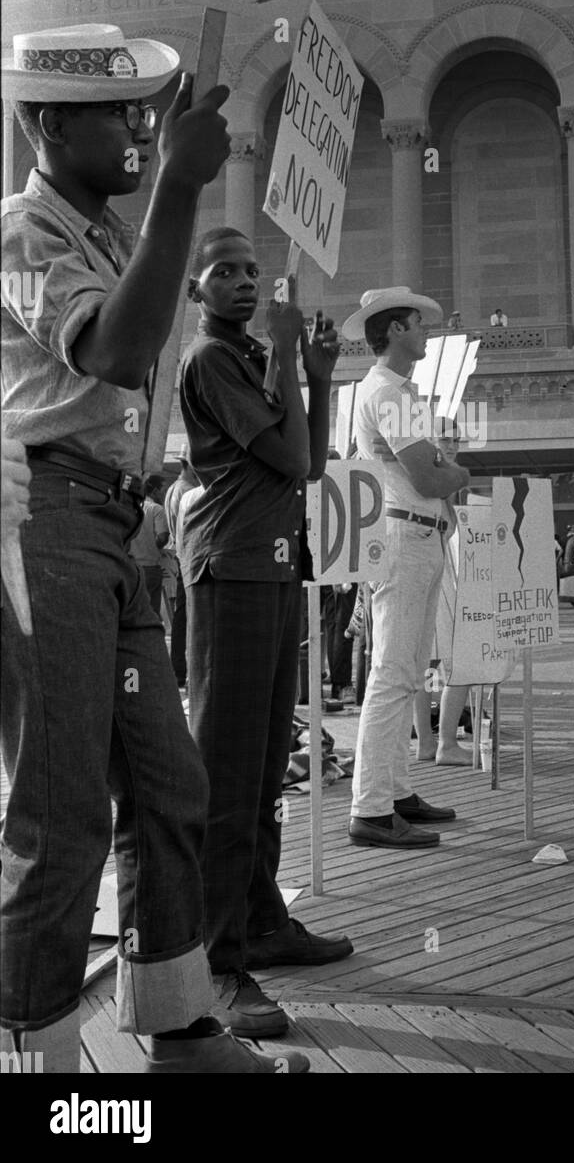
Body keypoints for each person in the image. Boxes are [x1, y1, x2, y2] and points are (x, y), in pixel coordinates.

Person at [1, 22, 307, 1073]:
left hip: (113, 530)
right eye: (116, 116)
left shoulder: (108, 239)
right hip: (43, 526)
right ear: (44, 123)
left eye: (144, 113)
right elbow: (120, 349)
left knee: (170, 786)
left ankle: (175, 1025)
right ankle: (34, 1057)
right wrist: (178, 184)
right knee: (60, 812)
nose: (137, 129)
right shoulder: (20, 231)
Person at [179, 228, 353, 1039]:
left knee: (263, 764)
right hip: (233, 566)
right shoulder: (212, 359)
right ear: (197, 291)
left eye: (251, 270)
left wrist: (317, 377)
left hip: (275, 565)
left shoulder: (253, 357)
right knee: (225, 766)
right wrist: (287, 355)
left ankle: (262, 920)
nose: (244, 282)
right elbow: (284, 461)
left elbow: (313, 462)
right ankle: (217, 960)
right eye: (225, 272)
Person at [341, 286, 471, 849]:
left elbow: (427, 467)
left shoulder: (390, 393)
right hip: (407, 532)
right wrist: (457, 473)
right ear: (394, 330)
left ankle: (392, 792)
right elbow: (430, 475)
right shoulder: (391, 395)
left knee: (405, 669)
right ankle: (372, 805)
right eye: (417, 324)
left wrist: (443, 468)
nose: (425, 333)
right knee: (395, 672)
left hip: (412, 532)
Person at [413, 419, 473, 767]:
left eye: (455, 440)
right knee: (457, 664)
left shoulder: (437, 480)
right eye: (444, 439)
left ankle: (429, 742)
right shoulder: (433, 479)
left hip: (434, 574)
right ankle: (443, 742)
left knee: (423, 665)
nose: (451, 445)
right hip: (437, 576)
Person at [163, 445, 198, 688]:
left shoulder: (174, 489)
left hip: (180, 557)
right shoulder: (187, 491)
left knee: (181, 618)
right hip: (188, 558)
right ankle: (182, 671)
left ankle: (178, 671)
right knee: (188, 618)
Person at [127, 478, 169, 621]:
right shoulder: (155, 509)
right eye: (163, 490)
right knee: (151, 614)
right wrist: (150, 546)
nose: (165, 494)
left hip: (128, 566)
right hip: (149, 567)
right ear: (155, 491)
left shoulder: (125, 508)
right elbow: (163, 537)